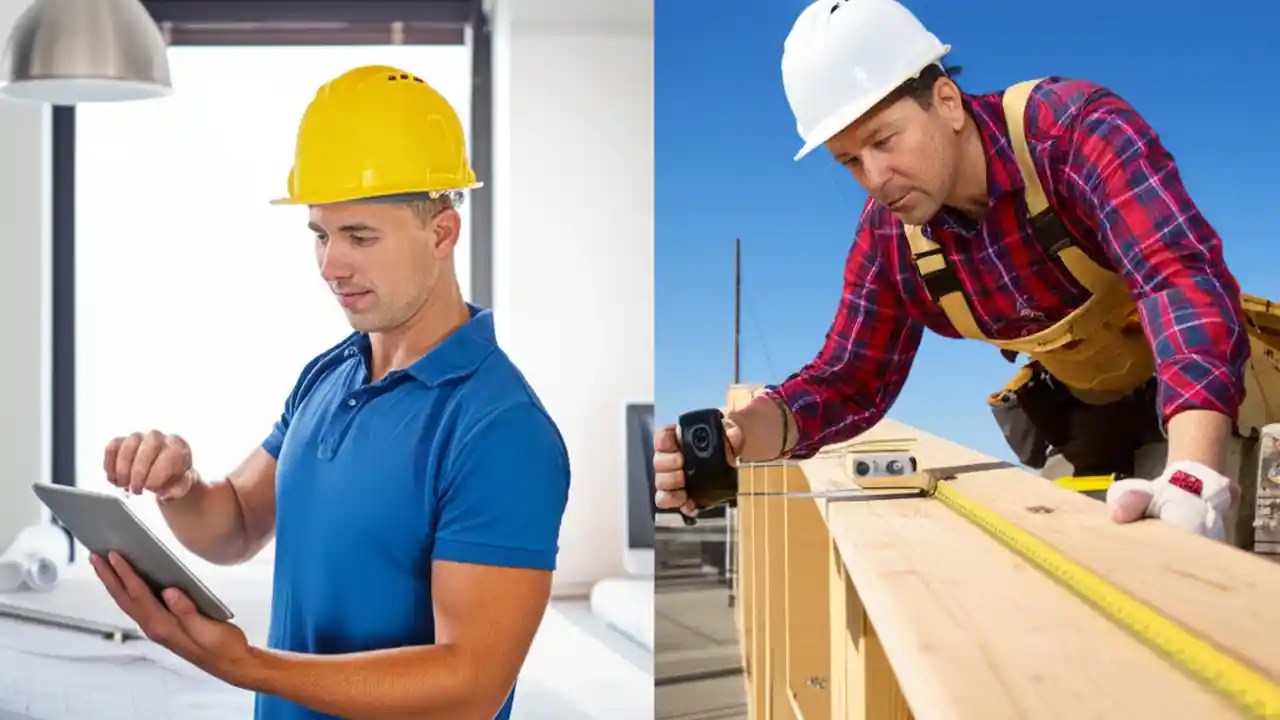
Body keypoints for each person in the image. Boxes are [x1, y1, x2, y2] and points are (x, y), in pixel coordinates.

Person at [654, 0, 1256, 542]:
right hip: (1089, 413)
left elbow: (1178, 280)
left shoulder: (1072, 133)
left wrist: (1194, 475)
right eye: (849, 162)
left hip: (1218, 394)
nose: (875, 178)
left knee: (1204, 557)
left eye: (884, 140)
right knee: (1057, 554)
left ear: (946, 102)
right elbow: (848, 380)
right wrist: (741, 439)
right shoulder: (891, 239)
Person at [89, 65, 572, 720]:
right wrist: (179, 484)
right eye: (320, 234)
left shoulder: (501, 429)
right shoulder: (330, 374)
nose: (330, 265)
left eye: (359, 237)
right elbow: (235, 523)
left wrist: (243, 665)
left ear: (442, 232)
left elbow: (470, 686)